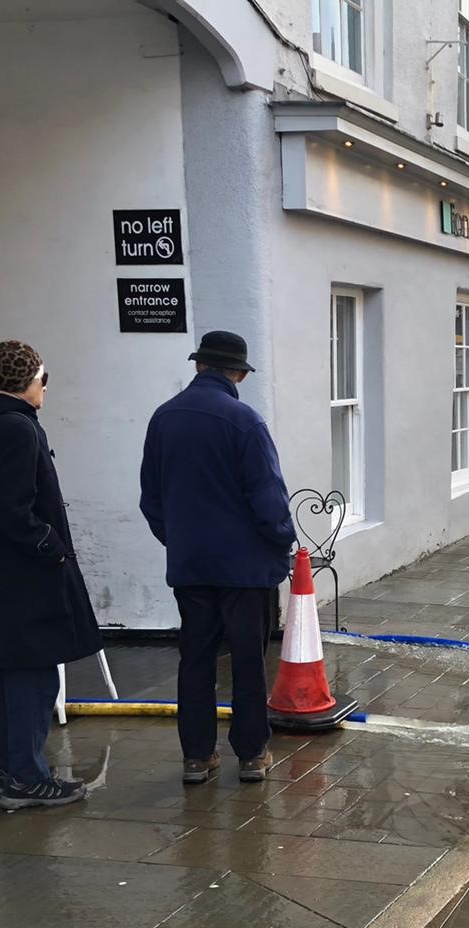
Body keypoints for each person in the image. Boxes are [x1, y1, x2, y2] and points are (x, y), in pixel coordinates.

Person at [140, 330, 296, 785]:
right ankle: (251, 754)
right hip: (246, 569)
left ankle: (196, 757)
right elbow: (268, 498)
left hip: (191, 564)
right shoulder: (245, 421)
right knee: (248, 660)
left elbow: (151, 497)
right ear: (239, 374)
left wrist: (178, 540)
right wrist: (282, 541)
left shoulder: (163, 418)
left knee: (195, 659)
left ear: (198, 366)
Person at [0, 341, 100, 811]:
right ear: (22, 382)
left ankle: (6, 771)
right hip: (27, 569)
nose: (45, 388)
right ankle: (26, 778)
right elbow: (10, 507)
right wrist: (50, 547)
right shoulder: (18, 428)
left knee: (10, 672)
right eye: (43, 378)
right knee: (34, 676)